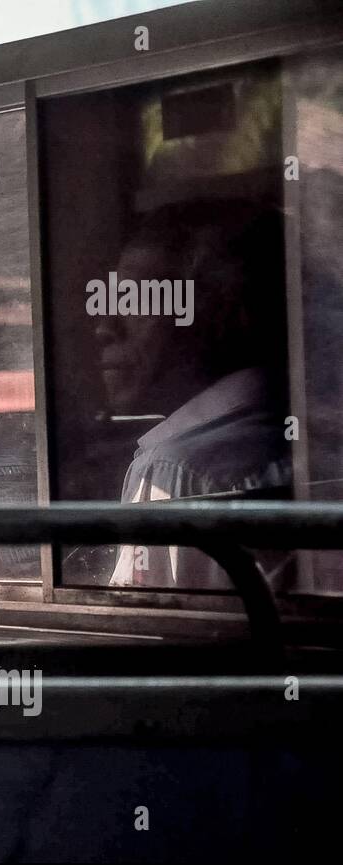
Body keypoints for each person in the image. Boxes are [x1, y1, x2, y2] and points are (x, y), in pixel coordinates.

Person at [93, 201, 292, 588]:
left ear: (218, 315)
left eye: (138, 300)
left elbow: (146, 634)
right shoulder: (306, 430)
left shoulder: (173, 470)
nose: (105, 326)